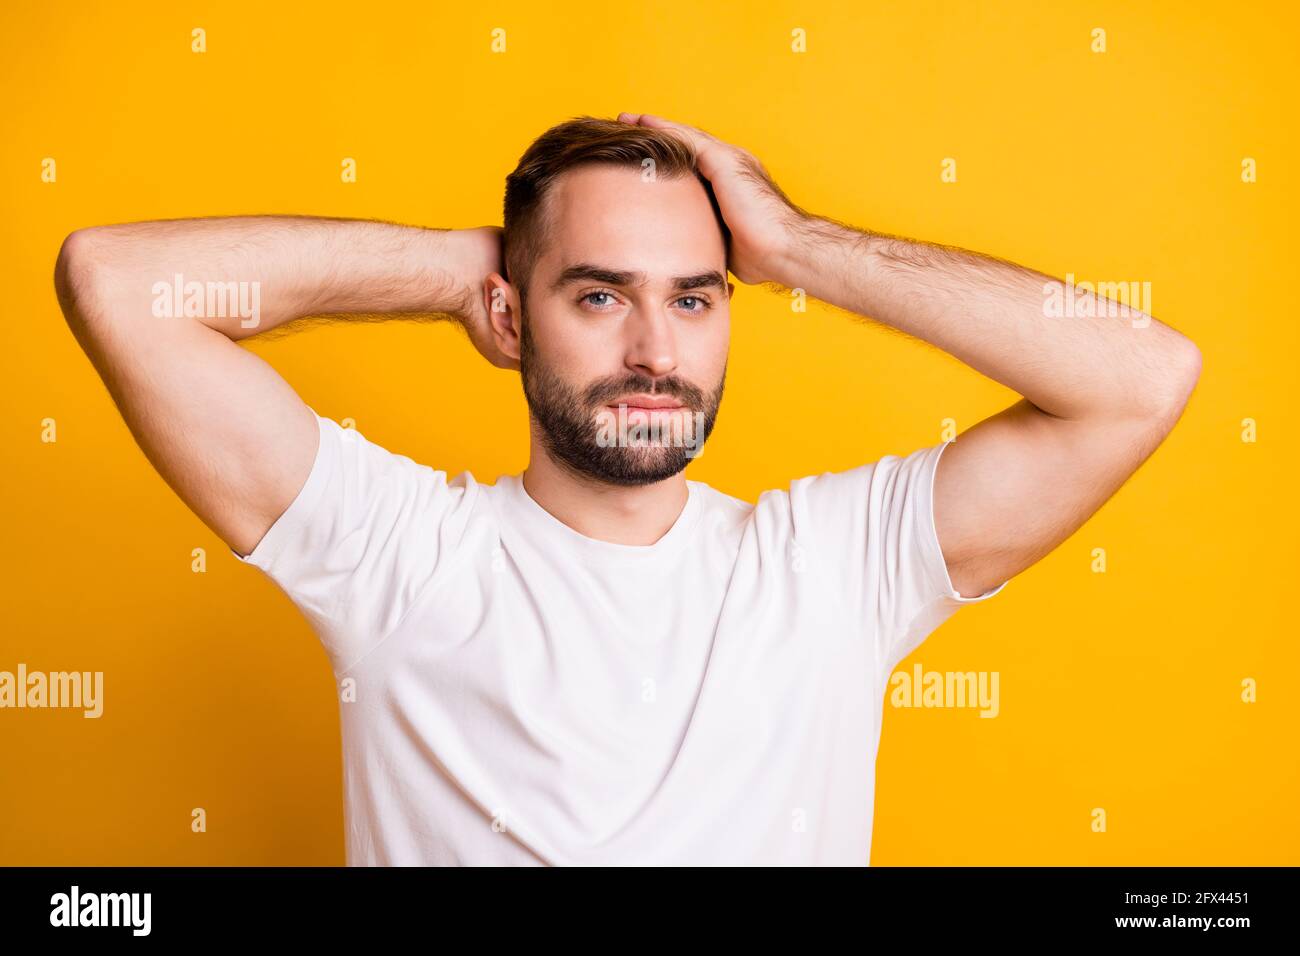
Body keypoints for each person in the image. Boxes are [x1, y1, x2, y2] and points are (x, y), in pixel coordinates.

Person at [53, 112, 1200, 865]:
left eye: (694, 299)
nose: (655, 347)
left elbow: (1141, 379)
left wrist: (797, 245)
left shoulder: (834, 566)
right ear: (513, 318)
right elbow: (117, 281)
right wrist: (461, 267)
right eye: (599, 296)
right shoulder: (396, 554)